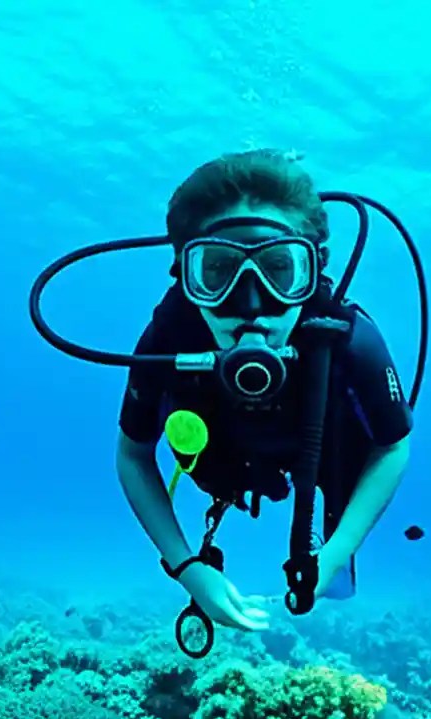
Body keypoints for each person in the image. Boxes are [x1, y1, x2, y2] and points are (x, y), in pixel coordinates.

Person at [112, 149, 415, 636]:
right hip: (222, 457)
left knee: (344, 481)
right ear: (185, 276)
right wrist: (188, 568)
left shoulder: (347, 339)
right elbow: (133, 454)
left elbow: (393, 444)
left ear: (311, 270)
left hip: (321, 451)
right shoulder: (168, 339)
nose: (251, 305)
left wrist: (331, 558)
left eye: (278, 269)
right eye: (216, 270)